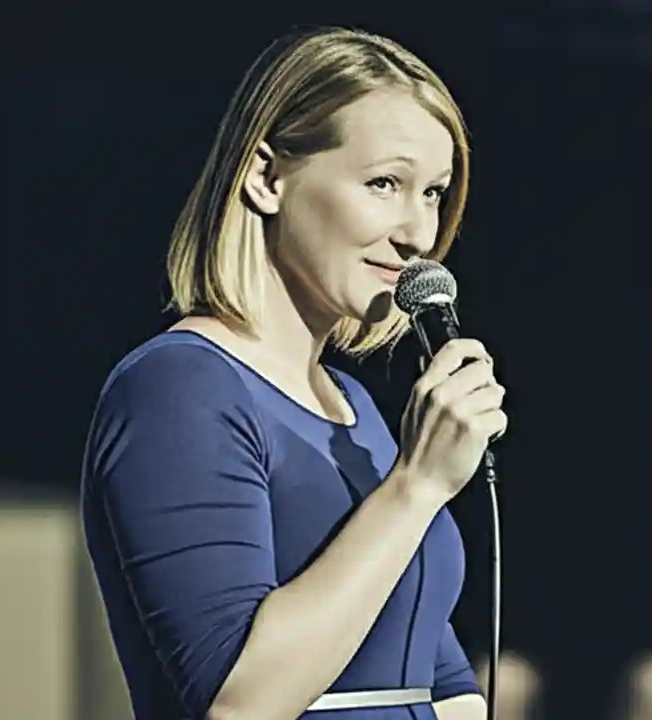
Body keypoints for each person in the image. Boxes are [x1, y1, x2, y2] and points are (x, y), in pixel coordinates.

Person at [79, 24, 505, 720]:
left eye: (433, 193)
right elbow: (240, 700)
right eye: (384, 183)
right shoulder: (179, 388)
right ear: (266, 177)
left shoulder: (358, 410)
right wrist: (419, 484)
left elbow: (439, 680)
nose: (419, 235)